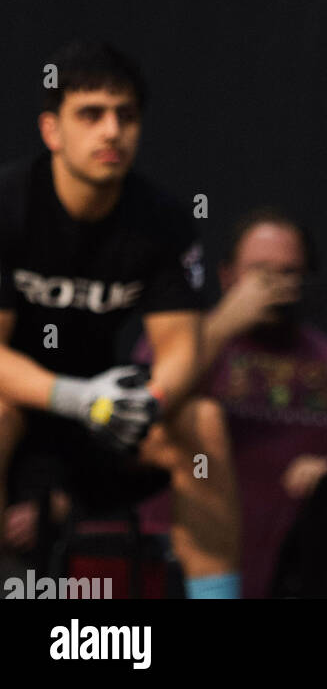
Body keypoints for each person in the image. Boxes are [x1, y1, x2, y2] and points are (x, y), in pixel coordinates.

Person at [0, 39, 242, 599]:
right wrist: (77, 396)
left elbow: (182, 348)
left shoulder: (161, 222)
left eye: (125, 116)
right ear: (51, 131)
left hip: (101, 427)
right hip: (31, 412)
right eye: (91, 114)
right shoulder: (9, 206)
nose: (112, 131)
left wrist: (148, 403)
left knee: (200, 423)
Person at [134, 208, 327, 599]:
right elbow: (140, 412)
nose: (274, 285)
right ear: (228, 275)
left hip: (294, 577)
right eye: (259, 272)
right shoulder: (178, 347)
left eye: (288, 272)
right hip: (177, 571)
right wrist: (226, 322)